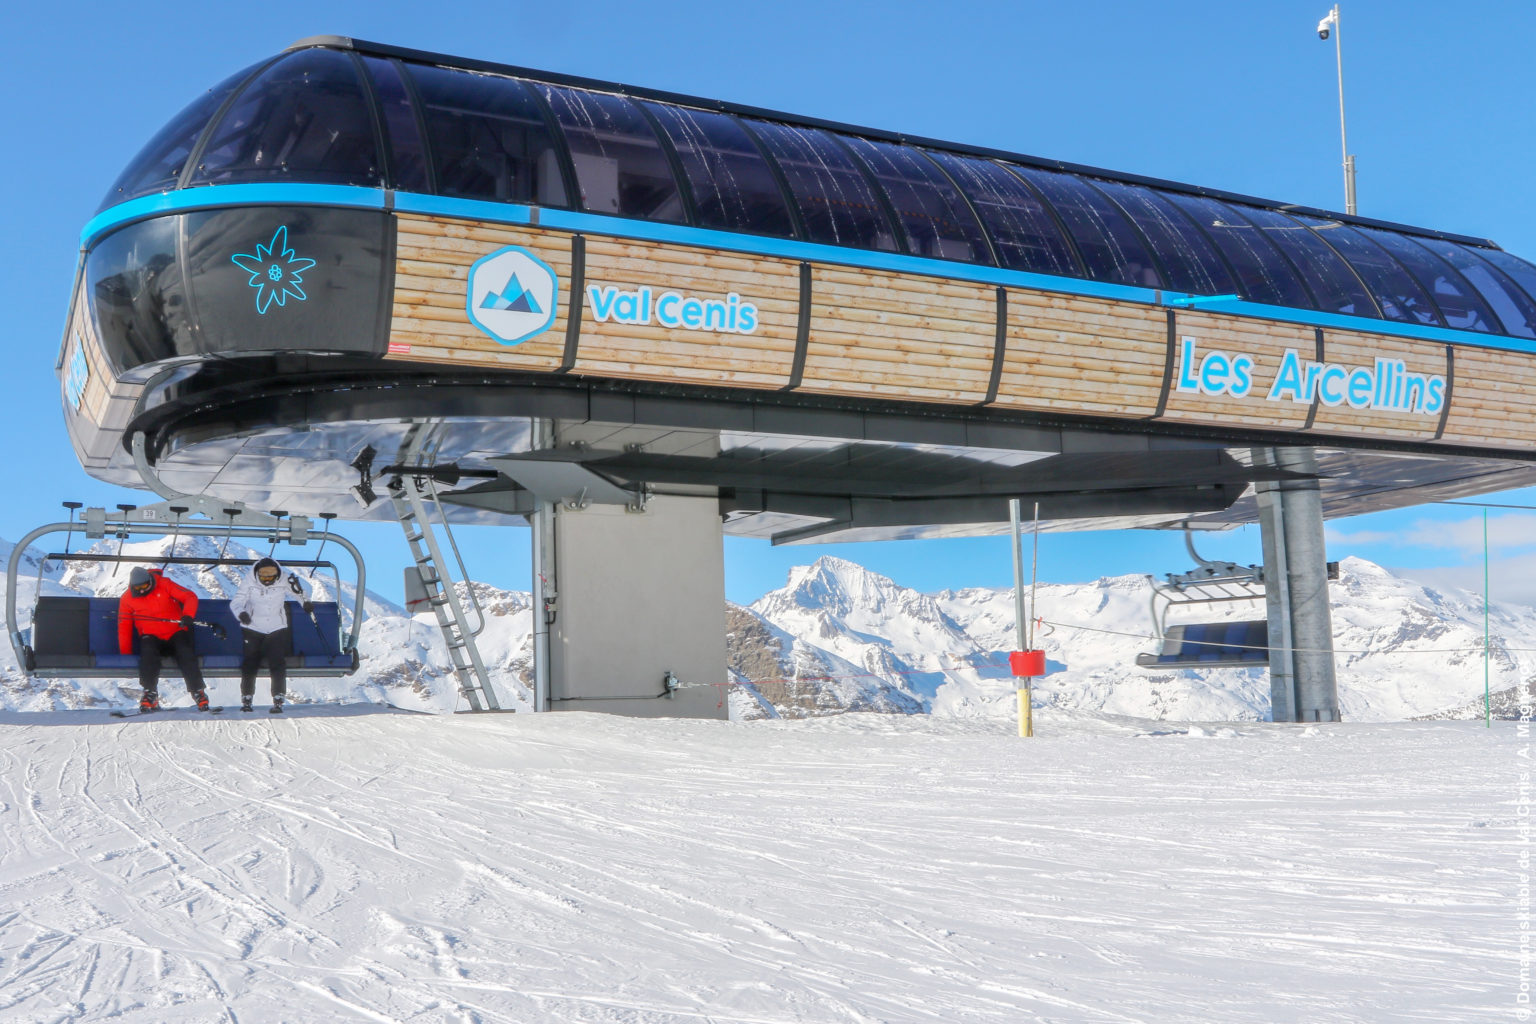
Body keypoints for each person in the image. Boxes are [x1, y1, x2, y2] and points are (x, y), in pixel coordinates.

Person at [118, 566, 209, 712]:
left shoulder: (164, 584)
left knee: (185, 651)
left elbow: (190, 597)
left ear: (150, 581)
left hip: (175, 633)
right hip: (151, 637)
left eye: (145, 586)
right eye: (138, 587)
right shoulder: (127, 599)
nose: (142, 590)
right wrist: (125, 655)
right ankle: (150, 692)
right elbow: (124, 627)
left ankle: (198, 691)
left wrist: (187, 615)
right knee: (148, 652)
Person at [230, 556, 312, 713]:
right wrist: (241, 613)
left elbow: (298, 593)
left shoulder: (284, 580)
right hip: (252, 627)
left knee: (277, 662)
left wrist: (305, 603)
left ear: (277, 574)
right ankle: (247, 696)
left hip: (276, 627)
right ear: (257, 574)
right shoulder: (250, 581)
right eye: (263, 575)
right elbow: (237, 601)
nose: (267, 579)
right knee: (250, 662)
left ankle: (278, 696)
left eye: (270, 575)